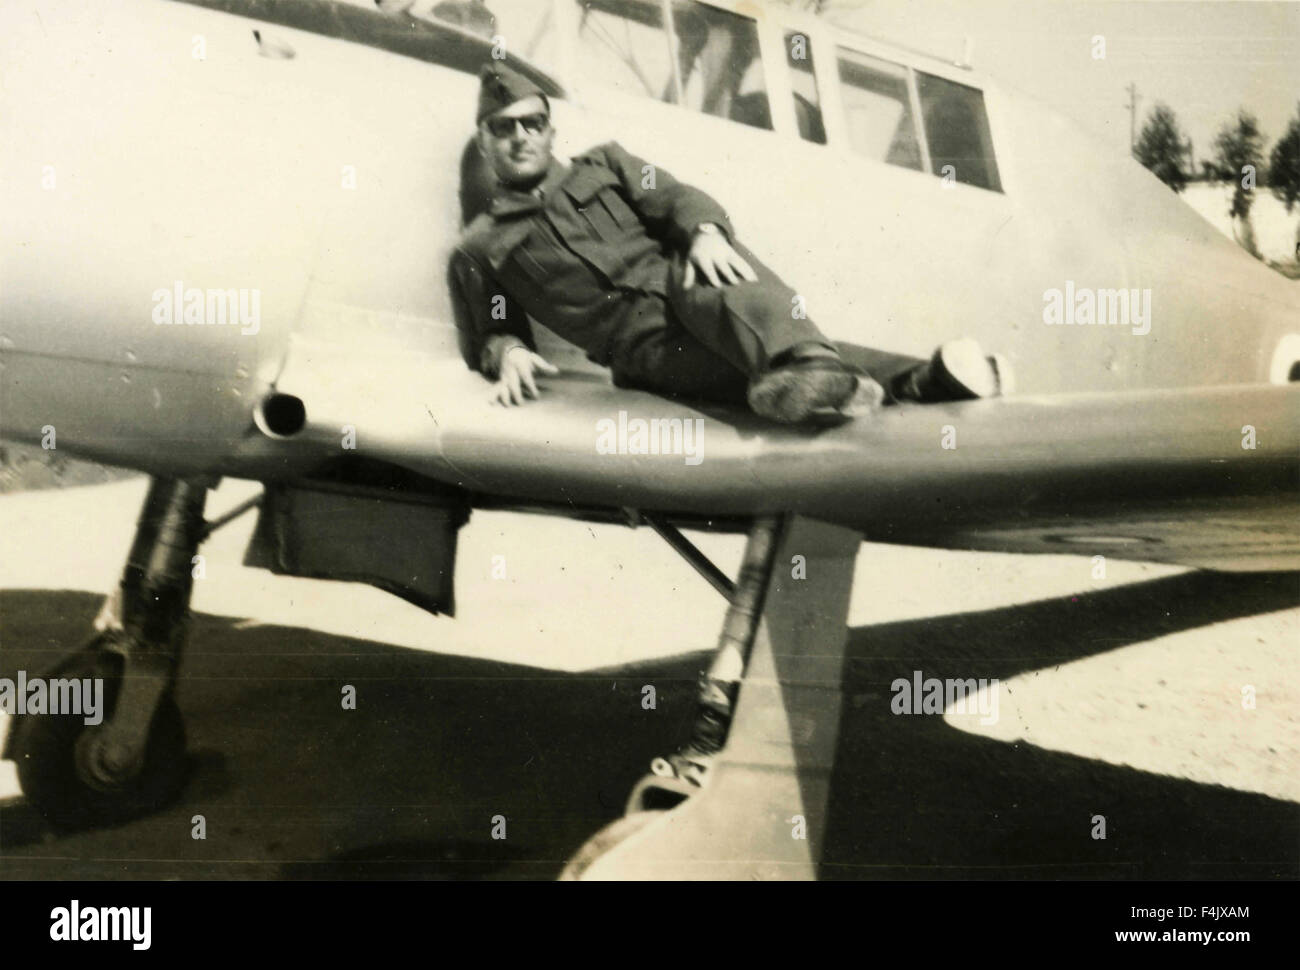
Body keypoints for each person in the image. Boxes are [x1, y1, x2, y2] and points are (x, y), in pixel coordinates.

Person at [449, 64, 1011, 424]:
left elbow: (674, 197)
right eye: (504, 128)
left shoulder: (610, 163)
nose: (521, 137)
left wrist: (707, 232)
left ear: (550, 129)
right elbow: (492, 329)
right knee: (764, 371)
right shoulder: (480, 247)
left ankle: (818, 368)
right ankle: (920, 383)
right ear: (485, 137)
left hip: (683, 280)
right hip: (643, 345)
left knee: (718, 281)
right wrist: (509, 353)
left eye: (532, 124)